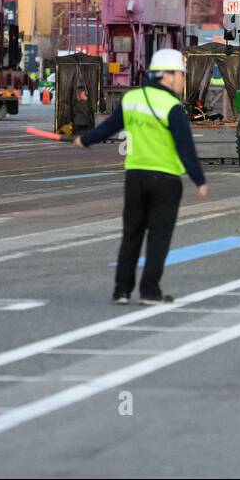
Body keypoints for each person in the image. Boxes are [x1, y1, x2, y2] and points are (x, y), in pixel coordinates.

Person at [76, 48, 207, 305]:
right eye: (180, 74)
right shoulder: (172, 106)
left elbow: (109, 127)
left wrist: (85, 139)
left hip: (135, 178)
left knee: (131, 234)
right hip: (166, 180)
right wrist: (199, 180)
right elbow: (185, 148)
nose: (182, 79)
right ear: (166, 76)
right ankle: (149, 291)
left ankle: (121, 291)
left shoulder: (132, 98)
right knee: (158, 237)